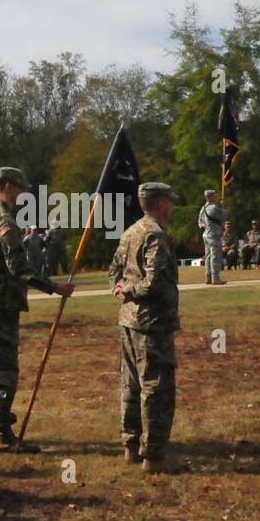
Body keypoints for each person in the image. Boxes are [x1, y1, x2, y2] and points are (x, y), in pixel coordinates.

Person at [0, 168, 74, 452]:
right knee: (4, 371)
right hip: (2, 303)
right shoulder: (4, 220)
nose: (23, 193)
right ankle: (3, 434)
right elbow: (18, 266)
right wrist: (54, 287)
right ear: (5, 186)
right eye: (19, 187)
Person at [109, 183, 181, 474]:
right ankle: (153, 456)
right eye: (170, 202)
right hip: (151, 322)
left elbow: (114, 270)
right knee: (156, 388)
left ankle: (131, 446)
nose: (172, 208)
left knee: (131, 384)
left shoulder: (130, 232)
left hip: (128, 321)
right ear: (161, 204)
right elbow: (153, 282)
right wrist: (130, 291)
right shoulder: (155, 235)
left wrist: (122, 290)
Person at [198, 190, 228, 285]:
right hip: (214, 235)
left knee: (208, 257)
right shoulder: (213, 208)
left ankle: (208, 277)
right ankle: (215, 278)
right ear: (210, 197)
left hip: (206, 234)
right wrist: (223, 207)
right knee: (215, 257)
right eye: (214, 196)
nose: (216, 197)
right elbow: (224, 216)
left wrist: (204, 226)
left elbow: (200, 222)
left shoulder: (203, 208)